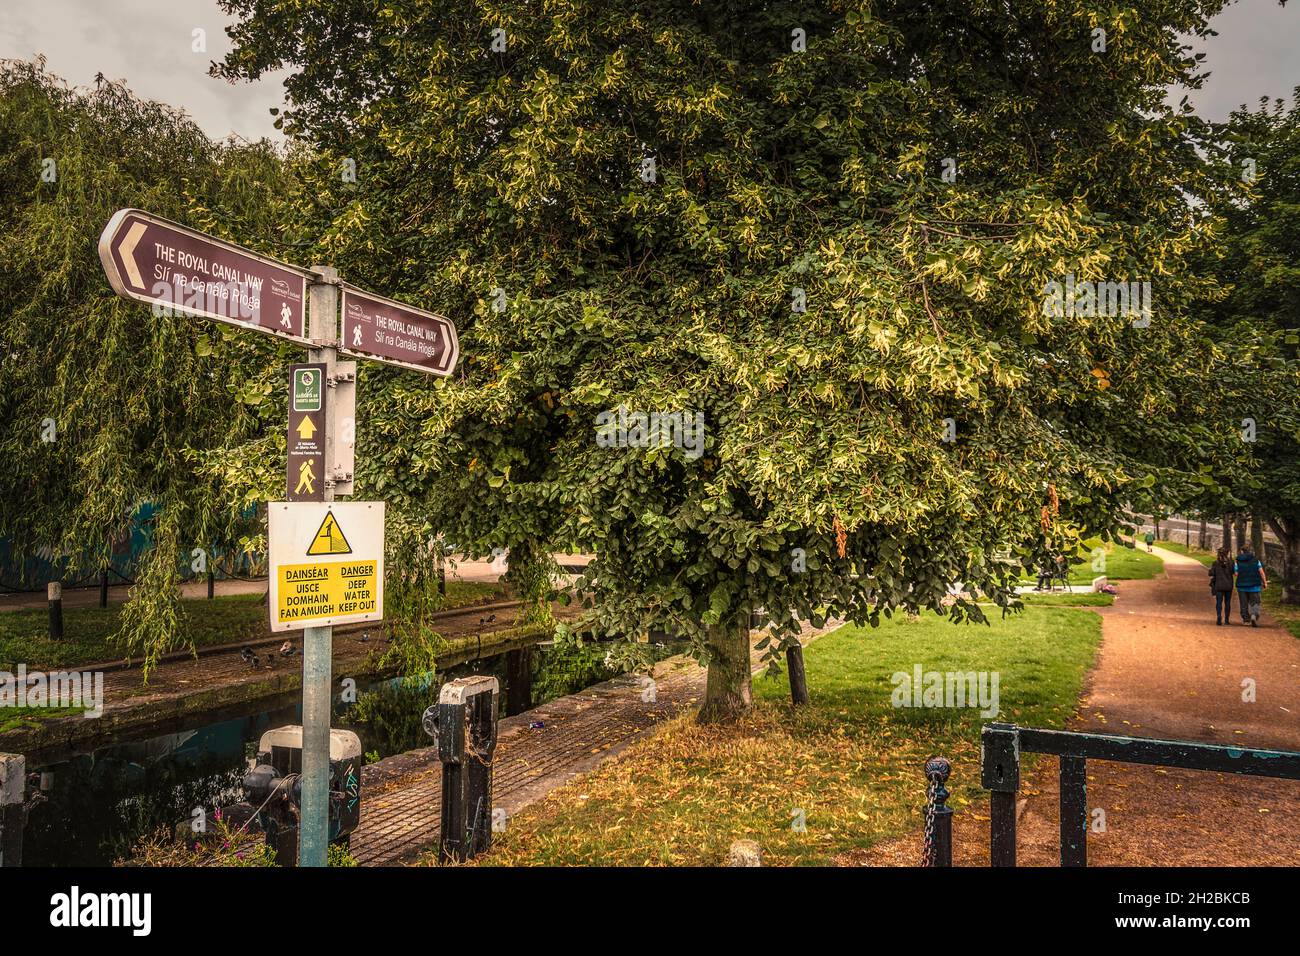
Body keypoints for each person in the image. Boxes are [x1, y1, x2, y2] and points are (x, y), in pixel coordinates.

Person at [1234, 546, 1268, 627]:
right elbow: (1261, 572)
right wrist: (1265, 582)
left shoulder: (1237, 561)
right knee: (1255, 602)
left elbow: (1236, 574)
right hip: (1254, 585)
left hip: (1241, 586)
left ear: (1242, 551)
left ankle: (1246, 620)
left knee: (1243, 603)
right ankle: (1254, 615)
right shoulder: (1256, 561)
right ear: (1250, 551)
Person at [1208, 547, 1235, 626]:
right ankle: (1227, 620)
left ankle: (1219, 616)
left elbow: (1211, 573)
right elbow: (1233, 572)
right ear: (1227, 553)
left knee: (1219, 602)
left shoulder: (1215, 563)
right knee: (1227, 602)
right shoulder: (1231, 562)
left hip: (1219, 585)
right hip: (1228, 585)